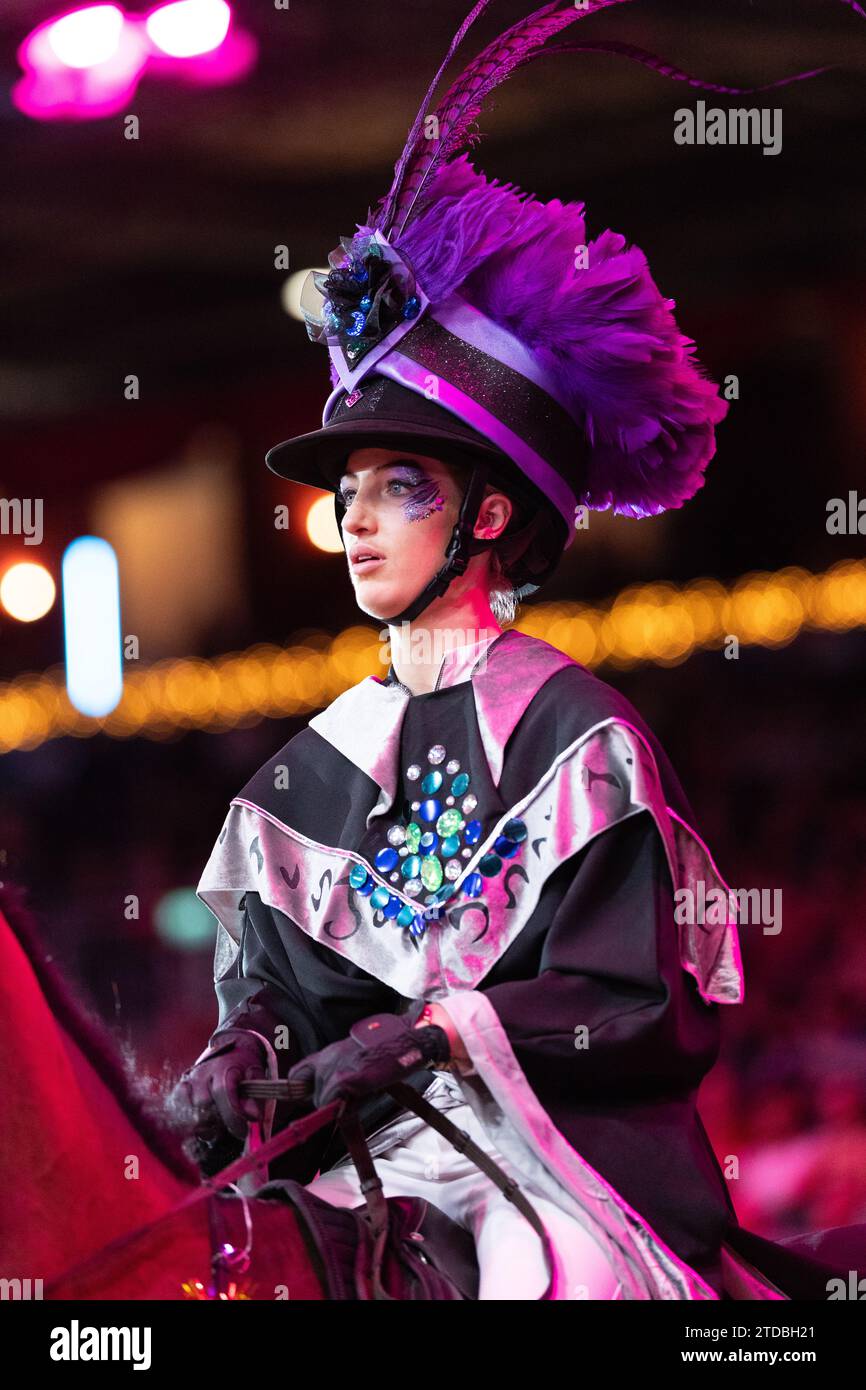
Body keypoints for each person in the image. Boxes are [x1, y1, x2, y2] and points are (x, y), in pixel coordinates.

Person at [171, 0, 756, 1299]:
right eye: (349, 494)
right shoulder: (306, 767)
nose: (357, 520)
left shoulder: (579, 733)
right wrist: (242, 1041)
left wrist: (436, 1035)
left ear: (488, 515)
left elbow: (634, 1000)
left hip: (545, 1166)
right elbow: (273, 980)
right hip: (353, 1170)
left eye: (400, 487)